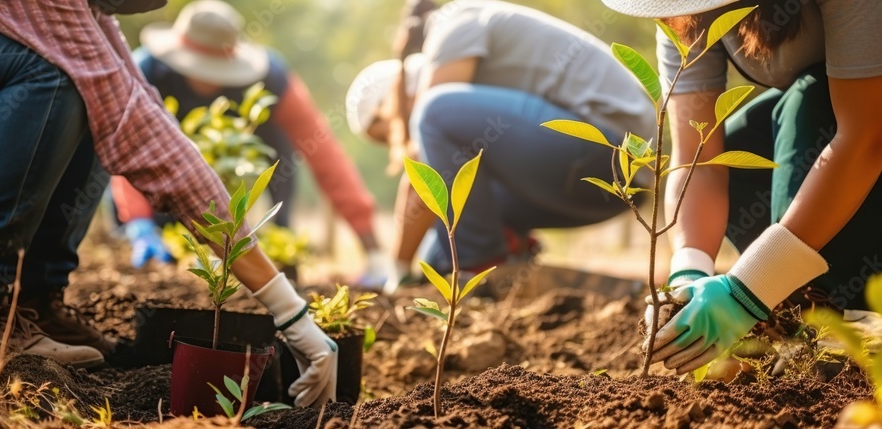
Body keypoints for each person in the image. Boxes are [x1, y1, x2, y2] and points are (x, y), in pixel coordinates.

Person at [0, 0, 335, 406]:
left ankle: (32, 303)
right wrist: (289, 311)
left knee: (89, 91)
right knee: (54, 74)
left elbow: (134, 109)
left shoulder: (92, 12)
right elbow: (141, 134)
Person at [600, 0, 882, 373]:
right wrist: (688, 273)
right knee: (738, 155)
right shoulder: (683, 12)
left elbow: (866, 137)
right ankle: (816, 304)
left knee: (809, 100)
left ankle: (829, 325)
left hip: (865, 135)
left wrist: (750, 286)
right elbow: (698, 160)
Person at [345, 0, 656, 293]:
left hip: (611, 146)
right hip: (603, 189)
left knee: (434, 112)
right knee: (439, 255)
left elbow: (422, 178)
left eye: (388, 133)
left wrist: (396, 271)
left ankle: (482, 259)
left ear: (400, 94)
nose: (398, 141)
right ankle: (509, 248)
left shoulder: (454, 25)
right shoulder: (471, 87)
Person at [111, 1, 389, 287]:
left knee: (283, 159)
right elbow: (128, 148)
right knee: (161, 249)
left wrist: (373, 249)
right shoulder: (147, 70)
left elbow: (326, 156)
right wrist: (138, 222)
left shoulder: (272, 79)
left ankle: (279, 253)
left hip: (261, 161)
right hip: (163, 172)